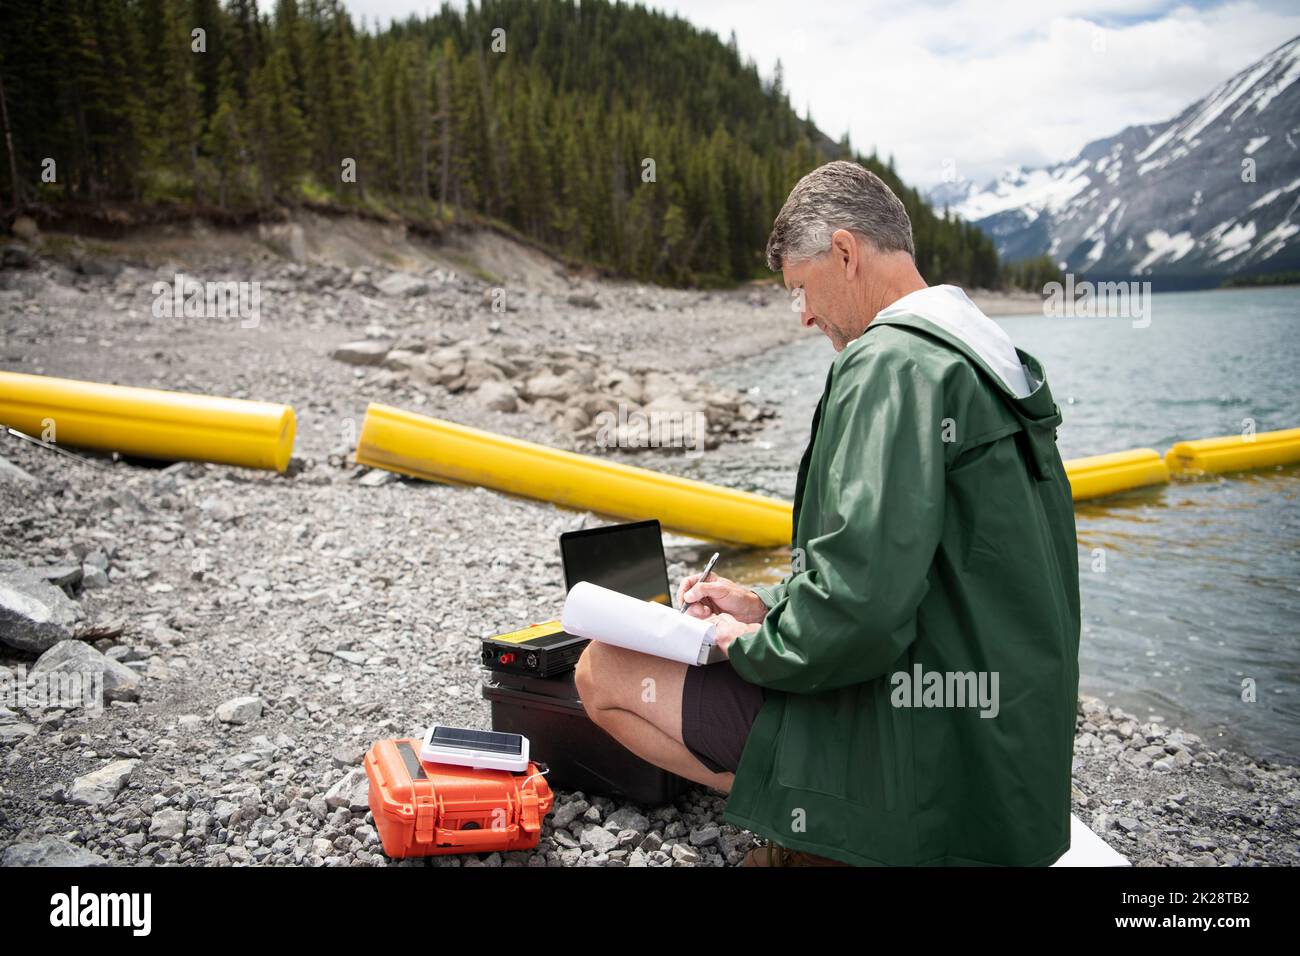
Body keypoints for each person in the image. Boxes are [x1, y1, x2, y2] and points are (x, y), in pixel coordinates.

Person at [575, 160, 1080, 866]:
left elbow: (862, 609)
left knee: (603, 671)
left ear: (845, 252)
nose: (805, 315)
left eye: (801, 290)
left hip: (921, 760)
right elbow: (921, 574)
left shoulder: (890, 365)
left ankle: (828, 842)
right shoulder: (987, 358)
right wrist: (762, 603)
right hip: (1004, 762)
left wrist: (743, 642)